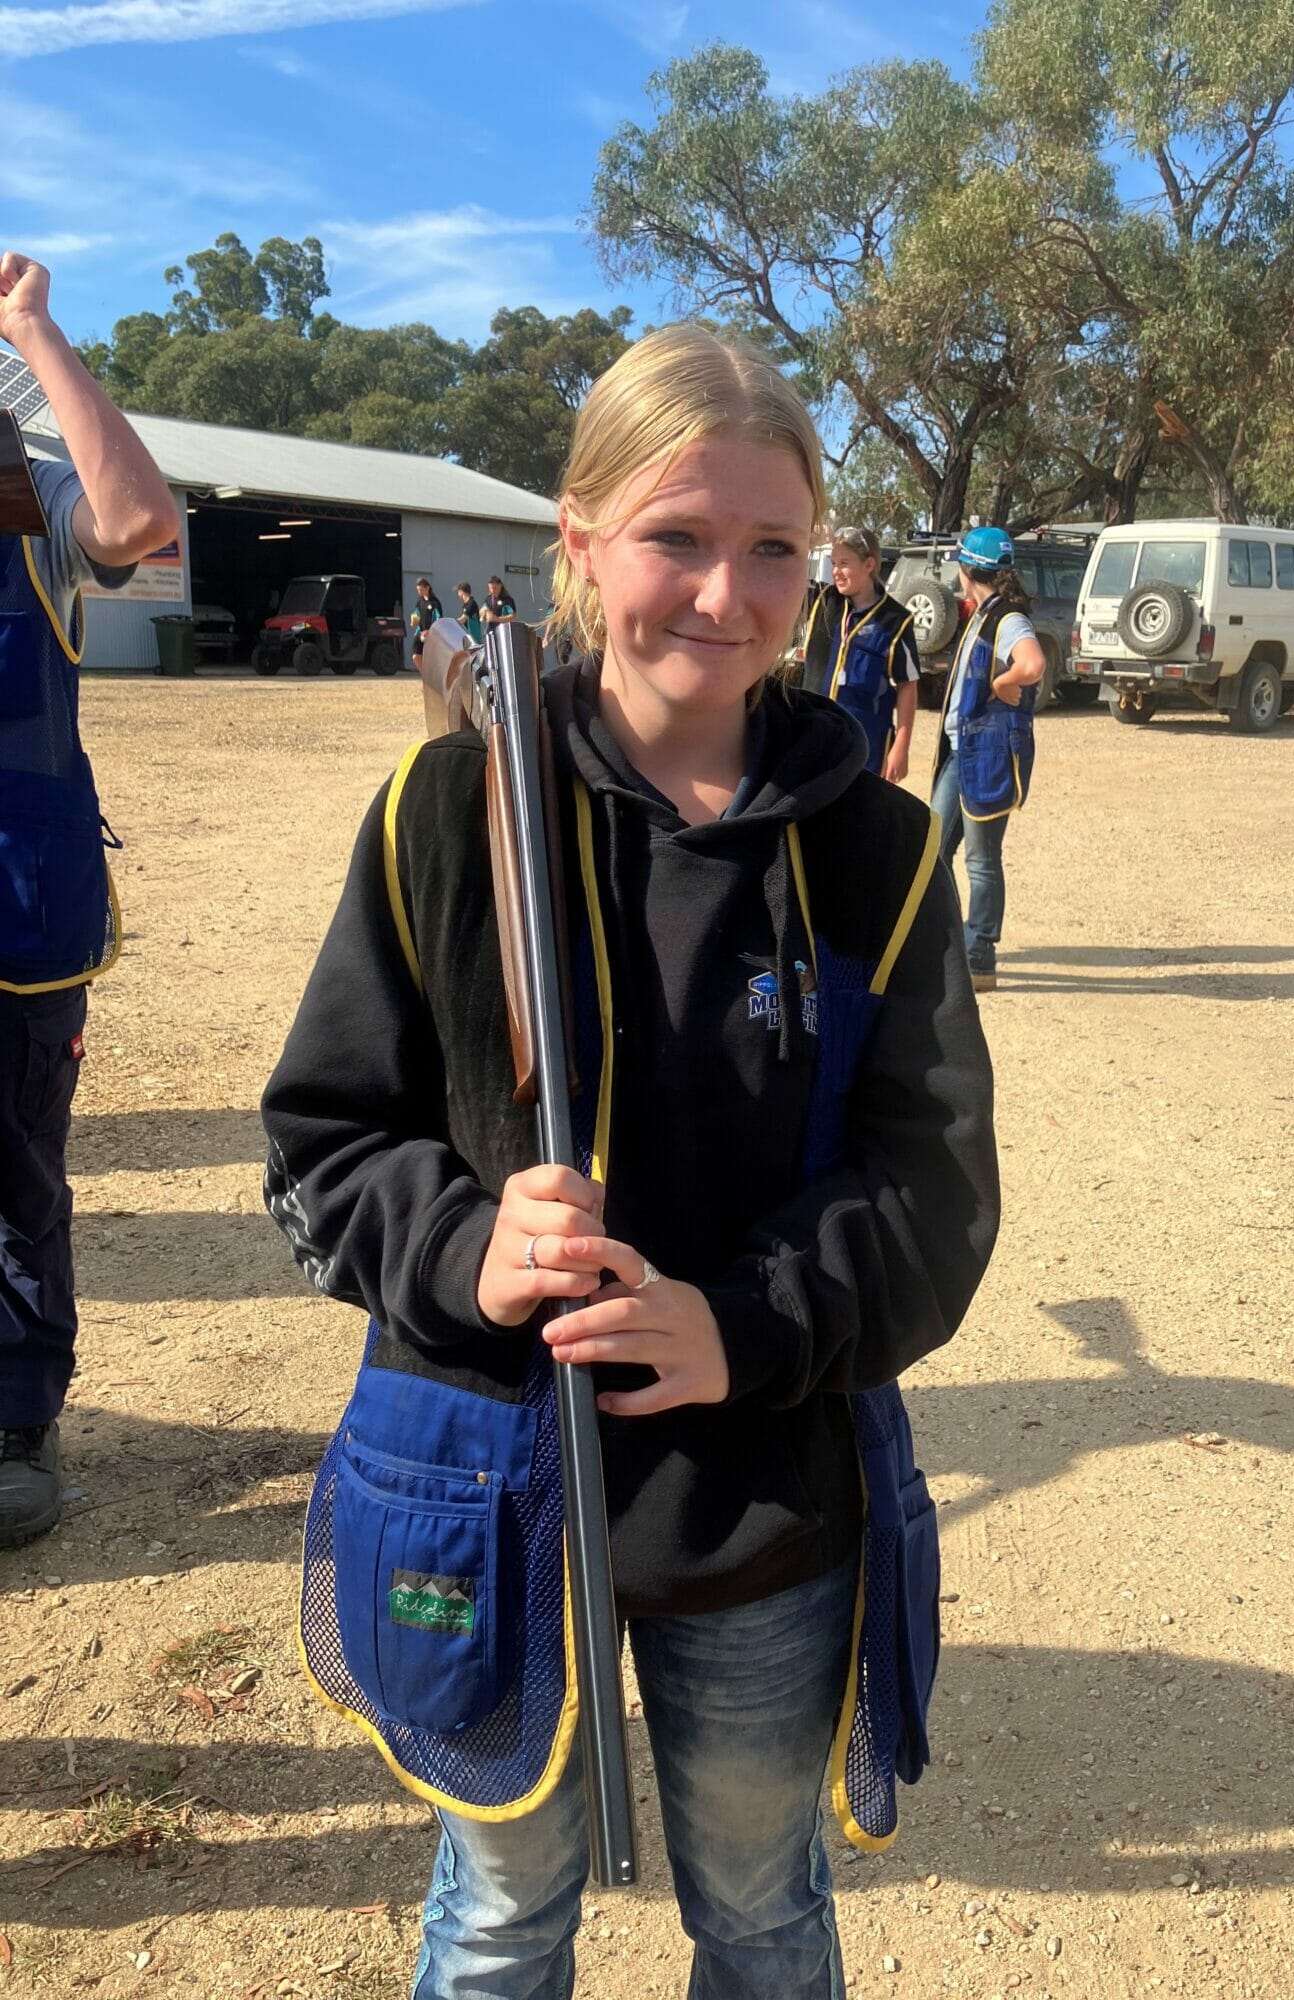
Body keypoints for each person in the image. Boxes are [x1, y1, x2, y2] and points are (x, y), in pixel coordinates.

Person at [262, 324, 999, 1999]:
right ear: (580, 545)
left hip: (759, 1523)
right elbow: (322, 1140)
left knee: (758, 1913)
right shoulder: (446, 817)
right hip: (484, 1501)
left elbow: (937, 1196)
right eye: (677, 537)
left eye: (771, 552)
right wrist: (462, 1250)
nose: (723, 598)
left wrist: (740, 1324)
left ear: (818, 569)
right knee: (503, 1911)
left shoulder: (880, 855)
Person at [0, 251, 179, 1548]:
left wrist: (34, 339)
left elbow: (137, 524)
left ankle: (15, 1416)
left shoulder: (33, 501)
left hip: (16, 910)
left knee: (15, 1180)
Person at [930, 526, 1047, 992]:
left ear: (965, 570)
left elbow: (1032, 664)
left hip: (986, 753)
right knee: (933, 851)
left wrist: (1003, 684)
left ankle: (979, 953)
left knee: (981, 859)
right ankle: (947, 942)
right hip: (964, 751)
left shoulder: (1007, 619)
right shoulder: (984, 613)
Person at [800, 527, 919, 782]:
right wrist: (809, 541)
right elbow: (785, 573)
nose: (835, 572)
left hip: (866, 745)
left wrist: (901, 746)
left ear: (868, 564)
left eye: (844, 563)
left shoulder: (896, 620)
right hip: (814, 736)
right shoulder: (824, 601)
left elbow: (907, 685)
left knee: (856, 816)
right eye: (833, 563)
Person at [409, 577, 443, 663]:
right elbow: (416, 614)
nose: (419, 592)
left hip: (431, 634)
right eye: (418, 590)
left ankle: (431, 675)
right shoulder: (419, 601)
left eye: (421, 589)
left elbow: (439, 620)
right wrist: (413, 621)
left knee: (430, 659)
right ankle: (425, 675)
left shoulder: (435, 603)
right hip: (420, 633)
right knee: (415, 656)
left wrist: (430, 631)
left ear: (427, 588)